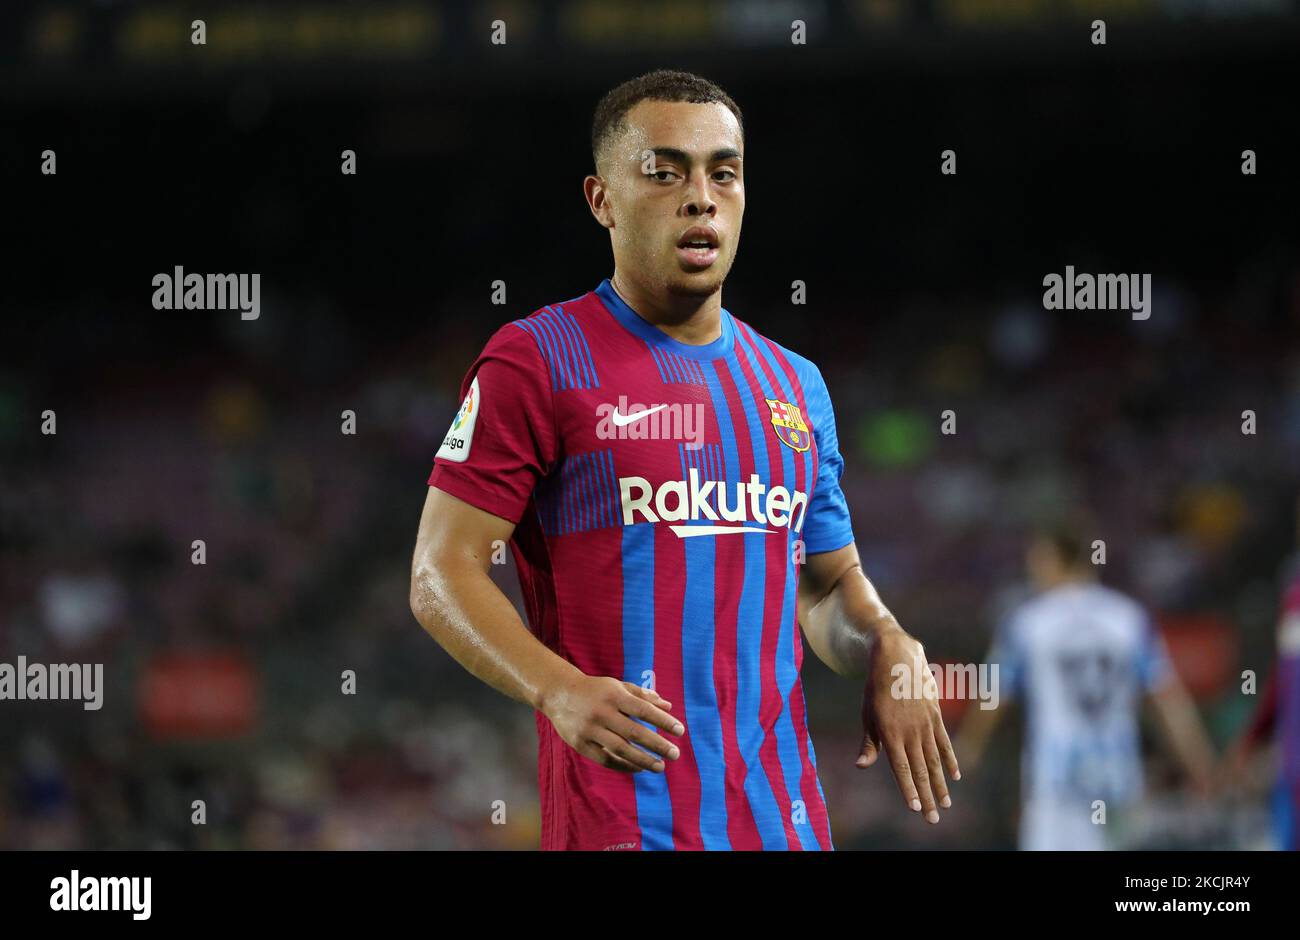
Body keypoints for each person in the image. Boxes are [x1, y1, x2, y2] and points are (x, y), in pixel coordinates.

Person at [409, 69, 957, 850]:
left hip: (785, 826)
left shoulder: (795, 386)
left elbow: (826, 587)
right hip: (624, 828)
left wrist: (889, 643)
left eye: (722, 173)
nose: (700, 196)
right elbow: (440, 571)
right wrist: (558, 691)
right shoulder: (536, 361)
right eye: (664, 173)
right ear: (601, 199)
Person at [959, 522, 1215, 849]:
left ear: (1054, 559)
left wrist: (969, 748)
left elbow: (994, 692)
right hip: (1118, 773)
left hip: (1057, 777)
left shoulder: (1029, 623)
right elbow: (1167, 699)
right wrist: (1199, 762)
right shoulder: (1129, 619)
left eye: (1037, 559)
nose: (1033, 570)